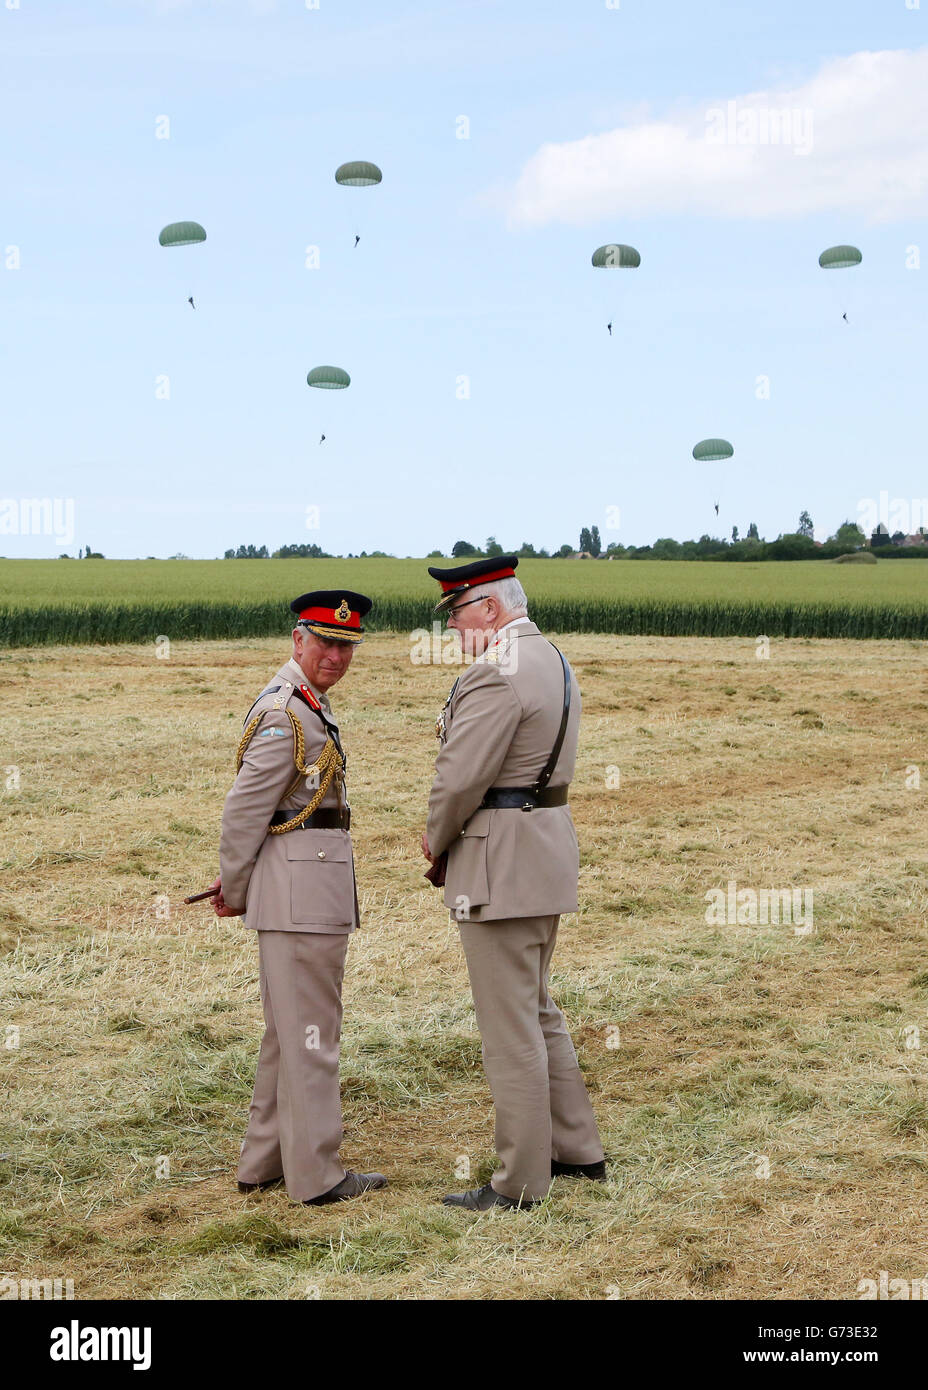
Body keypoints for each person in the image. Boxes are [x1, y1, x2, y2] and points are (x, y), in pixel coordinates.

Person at [422, 555, 605, 1211]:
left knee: (510, 1030)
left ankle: (521, 1183)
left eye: (459, 616)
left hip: (499, 862)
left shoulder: (494, 673)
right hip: (544, 852)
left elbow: (459, 779)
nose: (455, 633)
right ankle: (577, 1150)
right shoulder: (552, 658)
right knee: (538, 1010)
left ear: (492, 608)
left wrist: (434, 838)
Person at [209, 590, 387, 1206]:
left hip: (302, 889)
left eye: (346, 646)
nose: (337, 656)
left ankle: (265, 1162)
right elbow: (242, 815)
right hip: (300, 895)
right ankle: (318, 1176)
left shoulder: (307, 705)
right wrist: (234, 889)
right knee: (312, 1035)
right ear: (298, 640)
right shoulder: (287, 713)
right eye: (327, 643)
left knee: (288, 1034)